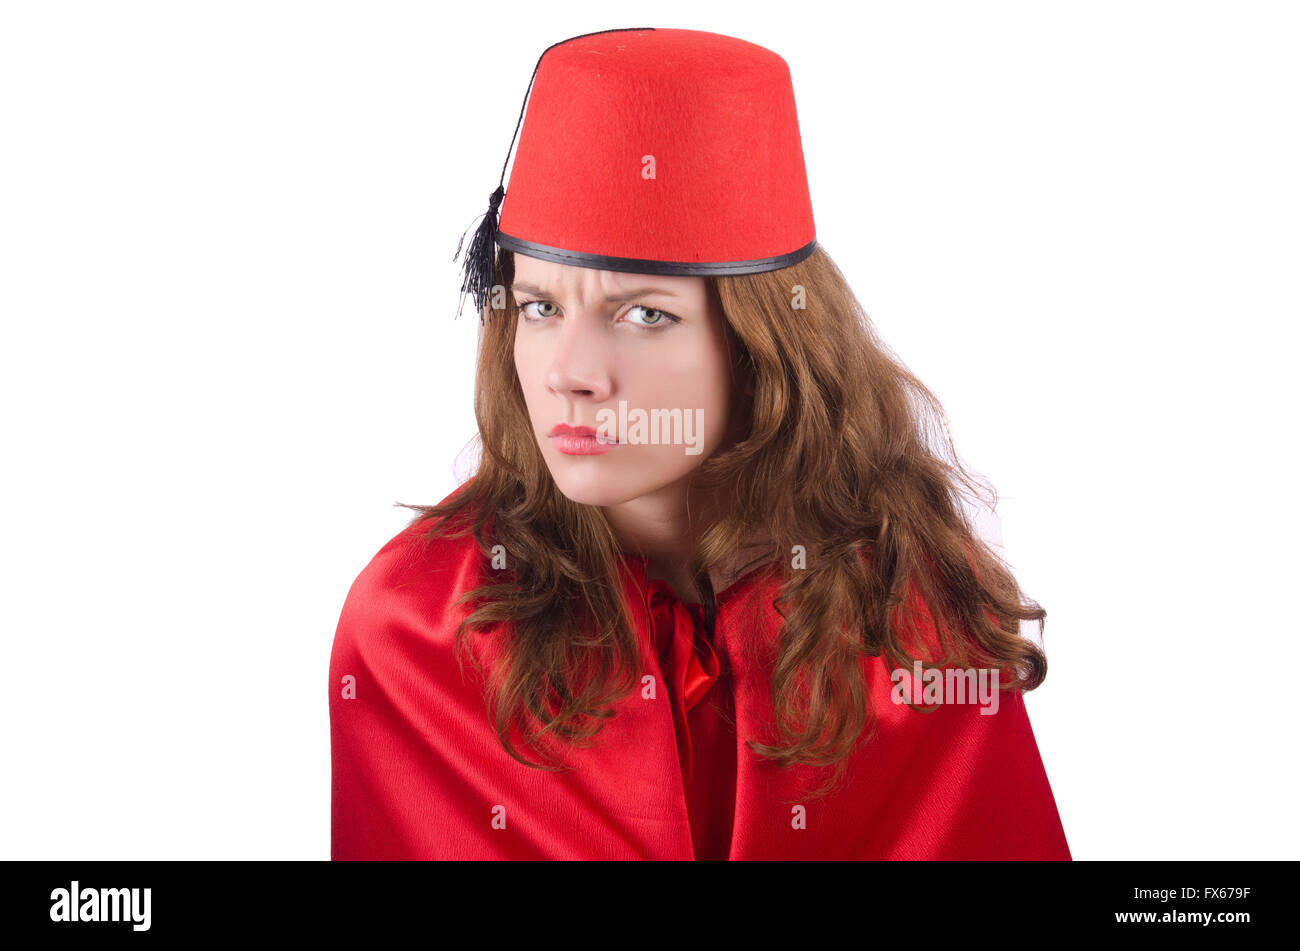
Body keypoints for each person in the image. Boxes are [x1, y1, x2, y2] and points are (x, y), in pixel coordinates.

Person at [329, 27, 1071, 860]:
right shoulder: (418, 633)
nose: (571, 372)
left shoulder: (910, 622)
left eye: (646, 314)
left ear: (760, 349)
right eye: (538, 307)